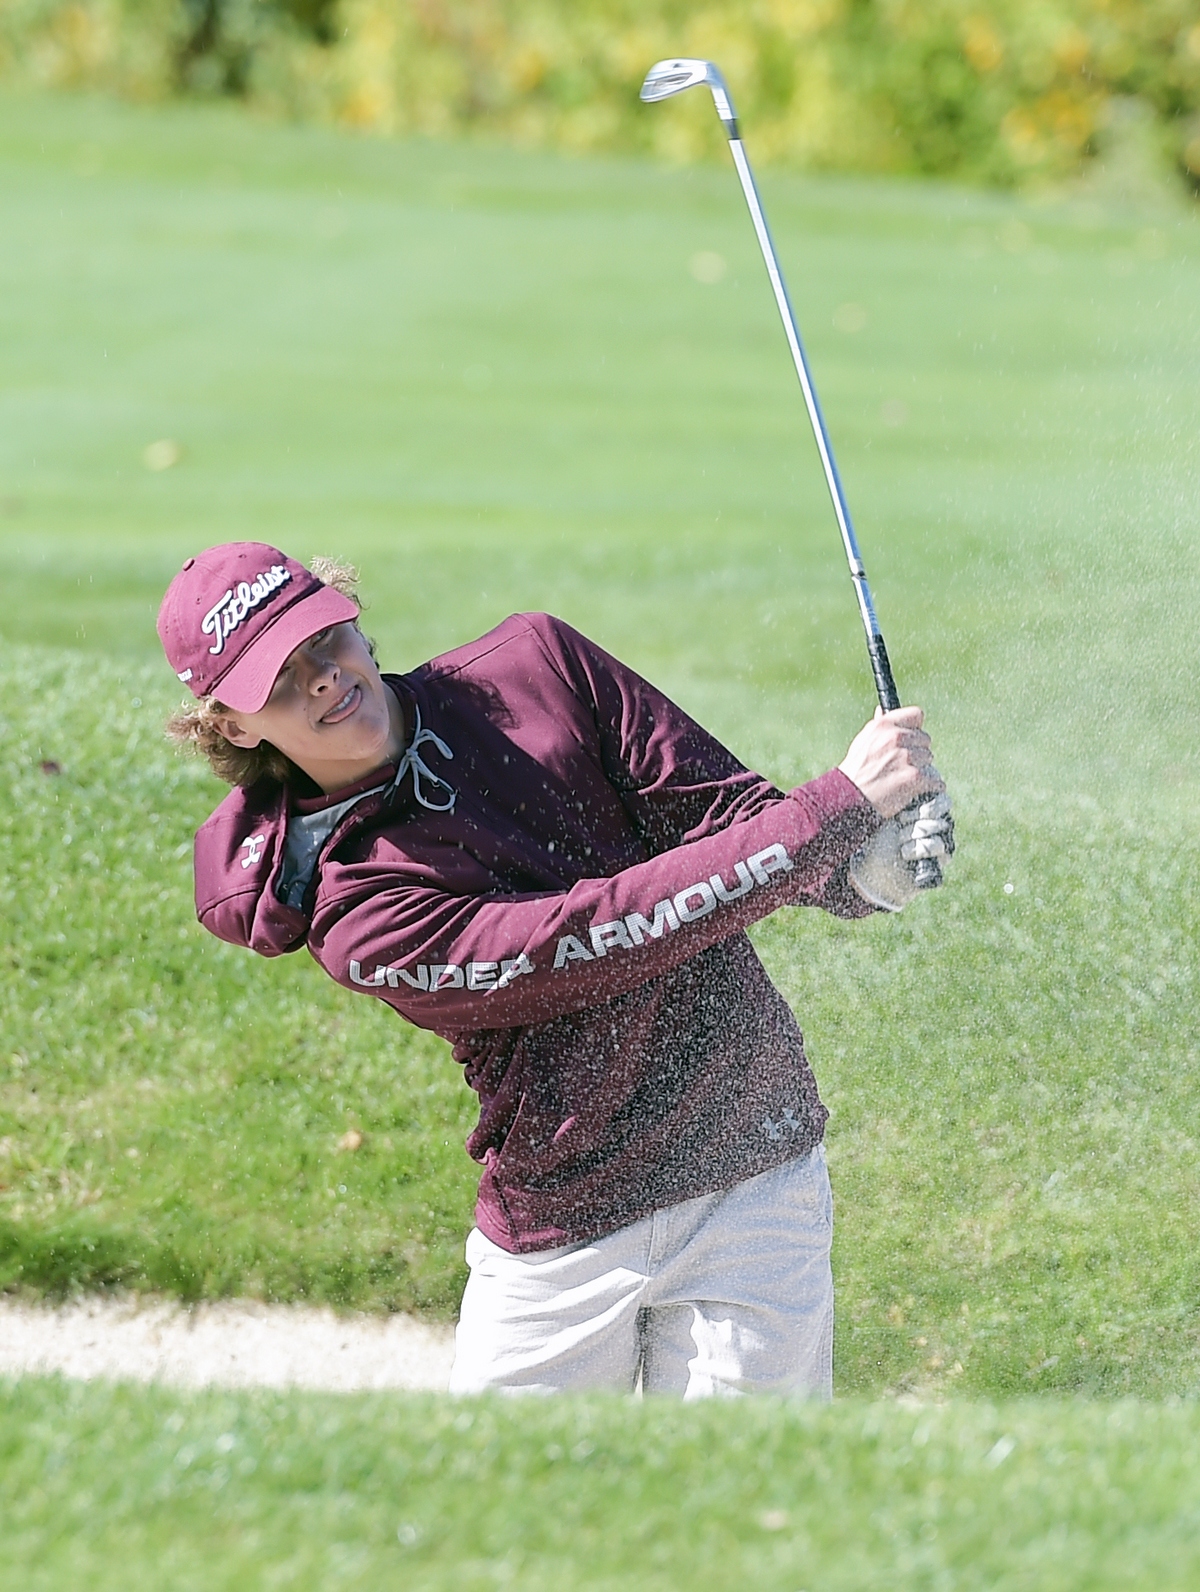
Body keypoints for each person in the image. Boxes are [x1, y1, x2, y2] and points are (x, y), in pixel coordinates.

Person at [158, 540, 952, 1398]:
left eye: (322, 639)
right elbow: (595, 939)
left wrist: (863, 872)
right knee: (507, 1487)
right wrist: (832, 811)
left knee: (755, 1483)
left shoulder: (536, 666)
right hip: (564, 1230)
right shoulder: (353, 909)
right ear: (233, 727)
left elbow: (725, 817)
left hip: (751, 1178)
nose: (320, 678)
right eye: (279, 680)